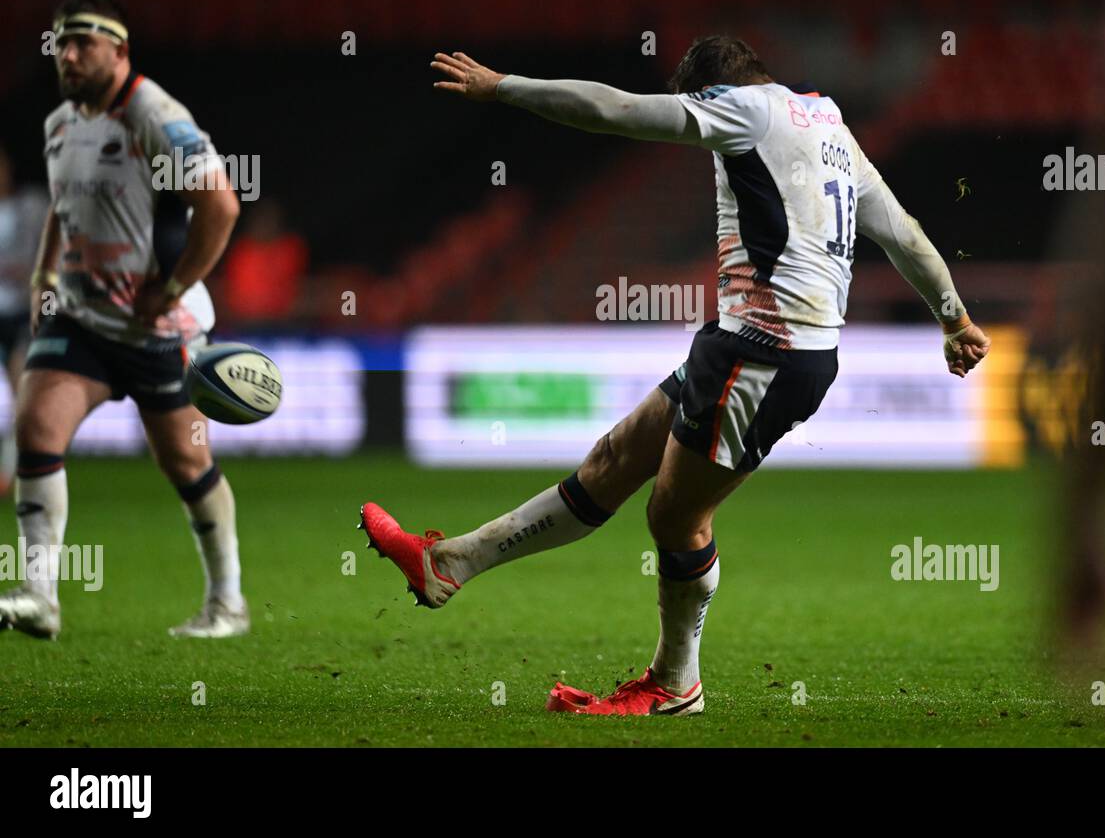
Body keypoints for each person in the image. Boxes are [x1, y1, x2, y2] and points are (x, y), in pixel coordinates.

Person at [361, 37, 990, 714]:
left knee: (677, 517)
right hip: (741, 344)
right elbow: (900, 227)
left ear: (712, 90)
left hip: (769, 355)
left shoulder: (742, 110)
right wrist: (953, 317)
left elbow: (613, 109)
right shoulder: (827, 122)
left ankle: (674, 684)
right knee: (614, 460)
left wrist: (503, 86)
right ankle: (450, 563)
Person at [0, 0, 245, 640]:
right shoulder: (61, 123)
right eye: (60, 42)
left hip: (157, 329)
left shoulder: (155, 117)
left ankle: (228, 602)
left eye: (83, 41)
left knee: (185, 466)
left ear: (120, 50)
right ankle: (39, 596)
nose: (69, 53)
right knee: (35, 430)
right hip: (83, 320)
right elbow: (63, 202)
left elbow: (220, 206)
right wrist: (45, 275)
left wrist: (175, 286)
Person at [0, 145, 48, 497]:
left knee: (24, 397)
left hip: (18, 314)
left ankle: (8, 471)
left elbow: (48, 251)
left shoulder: (32, 206)